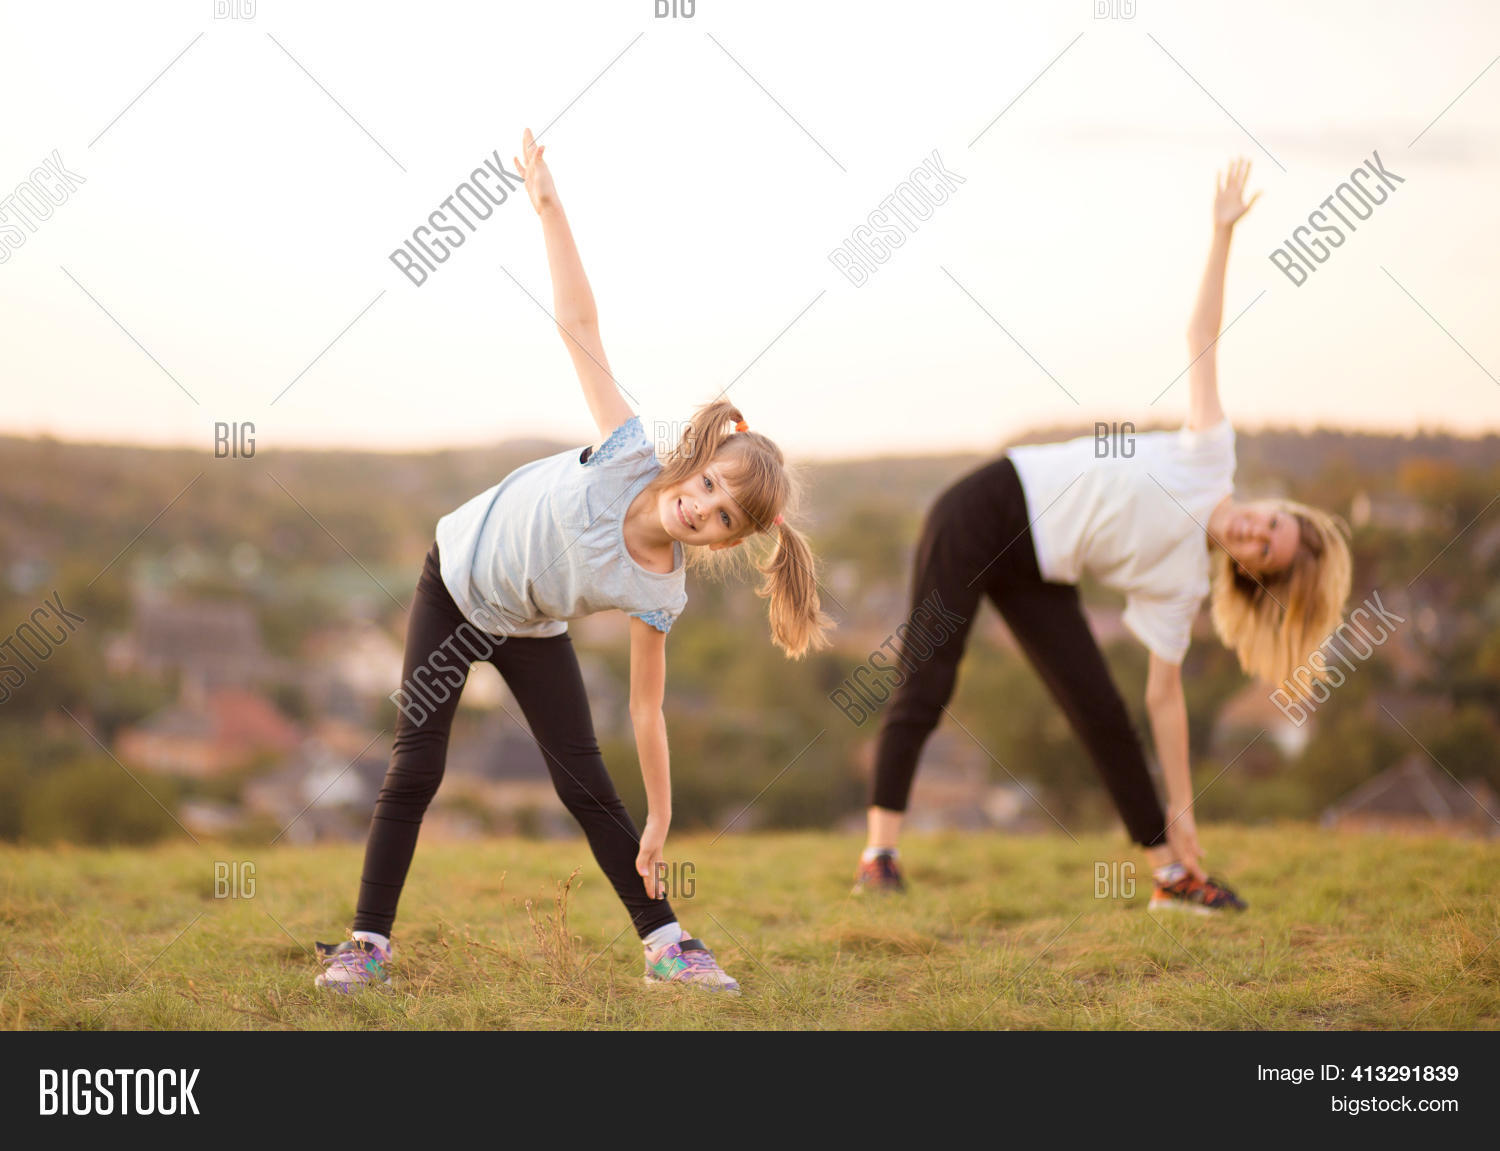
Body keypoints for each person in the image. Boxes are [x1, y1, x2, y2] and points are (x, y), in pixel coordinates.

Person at [316, 130, 832, 993]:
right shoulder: (631, 452)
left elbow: (647, 705)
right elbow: (578, 322)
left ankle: (667, 944)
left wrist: (662, 812)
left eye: (717, 517)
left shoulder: (658, 587)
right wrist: (549, 208)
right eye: (707, 485)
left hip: (526, 621)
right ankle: (365, 942)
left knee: (583, 777)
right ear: (699, 456)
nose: (697, 508)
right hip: (454, 584)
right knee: (419, 760)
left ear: (725, 541)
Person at [854, 159, 1351, 912]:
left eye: (1262, 552)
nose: (1256, 533)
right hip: (988, 505)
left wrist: (1182, 807)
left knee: (1100, 706)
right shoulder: (1212, 453)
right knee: (930, 672)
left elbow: (1165, 700)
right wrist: (1221, 236)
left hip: (1042, 565)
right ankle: (879, 853)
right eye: (1273, 524)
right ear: (1275, 506)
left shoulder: (1182, 583)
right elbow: (1201, 333)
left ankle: (1170, 874)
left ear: (1250, 572)